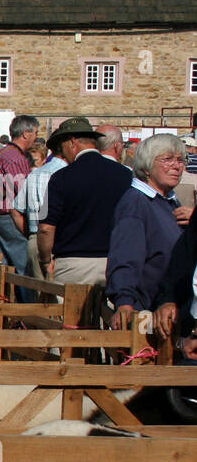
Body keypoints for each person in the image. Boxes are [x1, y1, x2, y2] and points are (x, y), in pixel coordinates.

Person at [106, 134, 192, 330]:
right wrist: (124, 300)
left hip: (169, 310)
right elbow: (125, 255)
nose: (177, 166)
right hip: (147, 313)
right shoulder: (137, 203)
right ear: (146, 166)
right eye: (167, 159)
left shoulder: (167, 200)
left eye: (180, 160)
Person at [38, 118, 133, 286]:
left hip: (73, 264)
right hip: (115, 260)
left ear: (72, 142)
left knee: (70, 312)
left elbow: (46, 228)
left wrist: (45, 261)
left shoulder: (60, 178)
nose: (62, 152)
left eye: (62, 147)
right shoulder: (125, 175)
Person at [0, 115, 39, 291]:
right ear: (26, 134)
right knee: (24, 269)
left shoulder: (2, 153)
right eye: (35, 133)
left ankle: (7, 310)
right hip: (10, 218)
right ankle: (26, 312)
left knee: (4, 267)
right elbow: (24, 191)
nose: (36, 137)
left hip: (1, 217)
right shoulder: (15, 158)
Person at [15, 139, 64, 282]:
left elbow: (15, 208)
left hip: (36, 237)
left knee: (39, 296)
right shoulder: (67, 173)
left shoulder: (35, 174)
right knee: (62, 296)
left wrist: (30, 234)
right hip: (59, 239)